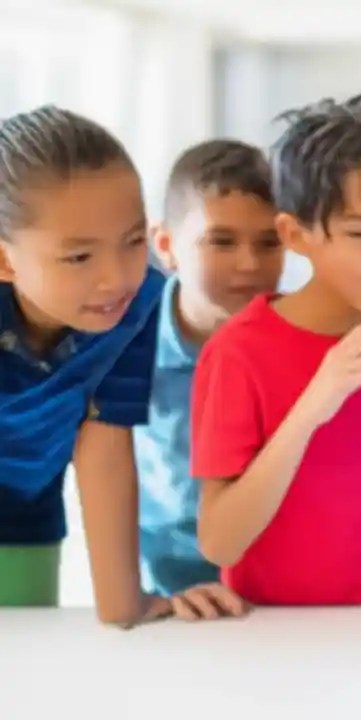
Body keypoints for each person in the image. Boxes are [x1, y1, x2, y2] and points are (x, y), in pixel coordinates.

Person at [0, 106, 244, 624]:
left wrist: (124, 607)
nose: (117, 278)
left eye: (133, 242)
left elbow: (105, 440)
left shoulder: (141, 303)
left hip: (23, 518)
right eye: (79, 257)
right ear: (5, 260)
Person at [191, 96, 361, 605]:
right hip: (278, 638)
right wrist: (313, 406)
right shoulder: (239, 351)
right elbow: (220, 540)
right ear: (294, 234)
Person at [135, 139, 284, 597]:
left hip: (283, 603)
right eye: (221, 241)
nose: (249, 264)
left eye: (268, 243)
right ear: (165, 245)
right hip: (168, 601)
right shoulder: (123, 350)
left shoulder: (304, 345)